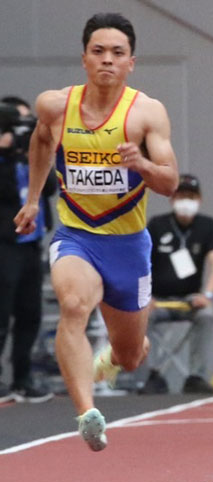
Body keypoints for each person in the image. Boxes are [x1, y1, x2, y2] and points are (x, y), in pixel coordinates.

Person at [14, 12, 179, 451]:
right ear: (84, 58)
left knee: (129, 356)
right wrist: (33, 199)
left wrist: (140, 163)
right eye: (98, 51)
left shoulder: (146, 113)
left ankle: (113, 359)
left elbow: (170, 182)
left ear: (131, 63)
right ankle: (87, 412)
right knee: (73, 304)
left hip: (127, 245)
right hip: (77, 234)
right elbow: (42, 142)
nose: (107, 60)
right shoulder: (55, 105)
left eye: (117, 53)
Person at [140, 173, 213, 395]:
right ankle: (153, 373)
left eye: (191, 196)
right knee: (141, 316)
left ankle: (196, 375)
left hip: (190, 299)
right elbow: (141, 262)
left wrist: (207, 295)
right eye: (181, 195)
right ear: (172, 199)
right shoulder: (157, 225)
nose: (186, 201)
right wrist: (145, 296)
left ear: (199, 200)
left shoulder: (207, 226)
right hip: (158, 300)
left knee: (206, 315)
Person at [0, 96, 56, 404]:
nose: (21, 131)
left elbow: (49, 188)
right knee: (1, 314)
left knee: (29, 314)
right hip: (4, 245)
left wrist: (31, 151)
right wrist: (6, 152)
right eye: (14, 125)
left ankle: (23, 377)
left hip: (30, 245)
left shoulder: (30, 155)